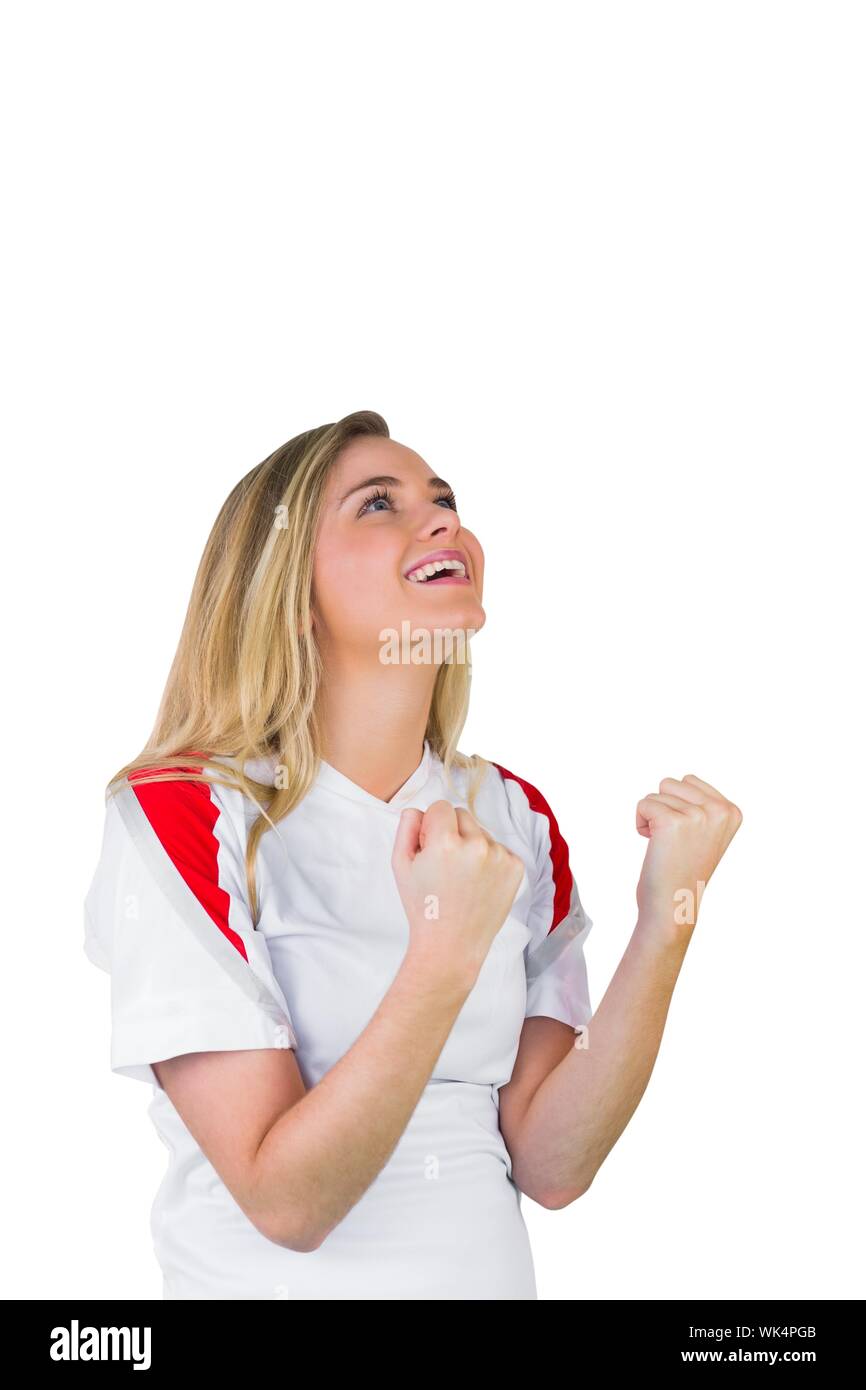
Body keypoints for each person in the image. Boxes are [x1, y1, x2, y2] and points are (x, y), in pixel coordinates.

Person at [83, 409, 743, 1300]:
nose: (443, 521)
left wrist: (667, 920)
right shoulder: (185, 814)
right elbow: (287, 1203)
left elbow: (552, 1163)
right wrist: (442, 955)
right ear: (289, 588)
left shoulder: (514, 815)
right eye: (377, 505)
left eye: (444, 500)